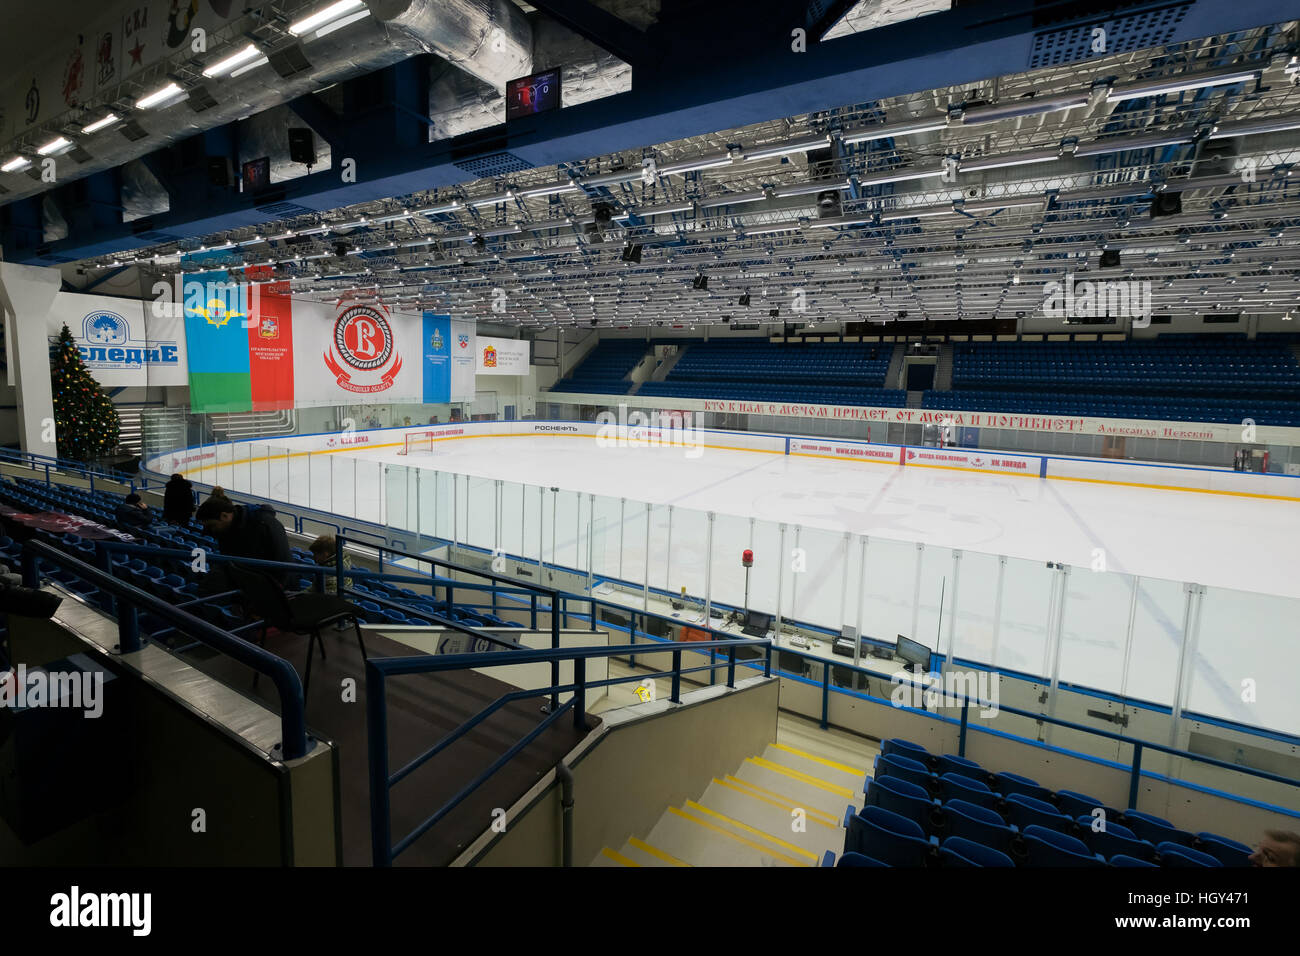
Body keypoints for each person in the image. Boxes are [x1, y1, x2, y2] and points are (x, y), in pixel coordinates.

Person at [196, 497, 292, 584]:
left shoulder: (265, 524)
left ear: (225, 516)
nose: (210, 531)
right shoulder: (225, 530)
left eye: (212, 526)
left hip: (272, 589)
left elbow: (283, 562)